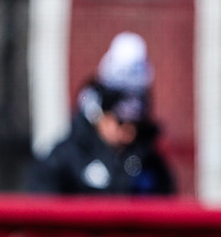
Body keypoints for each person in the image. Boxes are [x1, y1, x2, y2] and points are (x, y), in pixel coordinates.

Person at [27, 31, 175, 196]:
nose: (129, 132)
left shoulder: (151, 165)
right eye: (120, 121)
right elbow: (40, 204)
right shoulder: (64, 160)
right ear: (99, 115)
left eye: (136, 124)